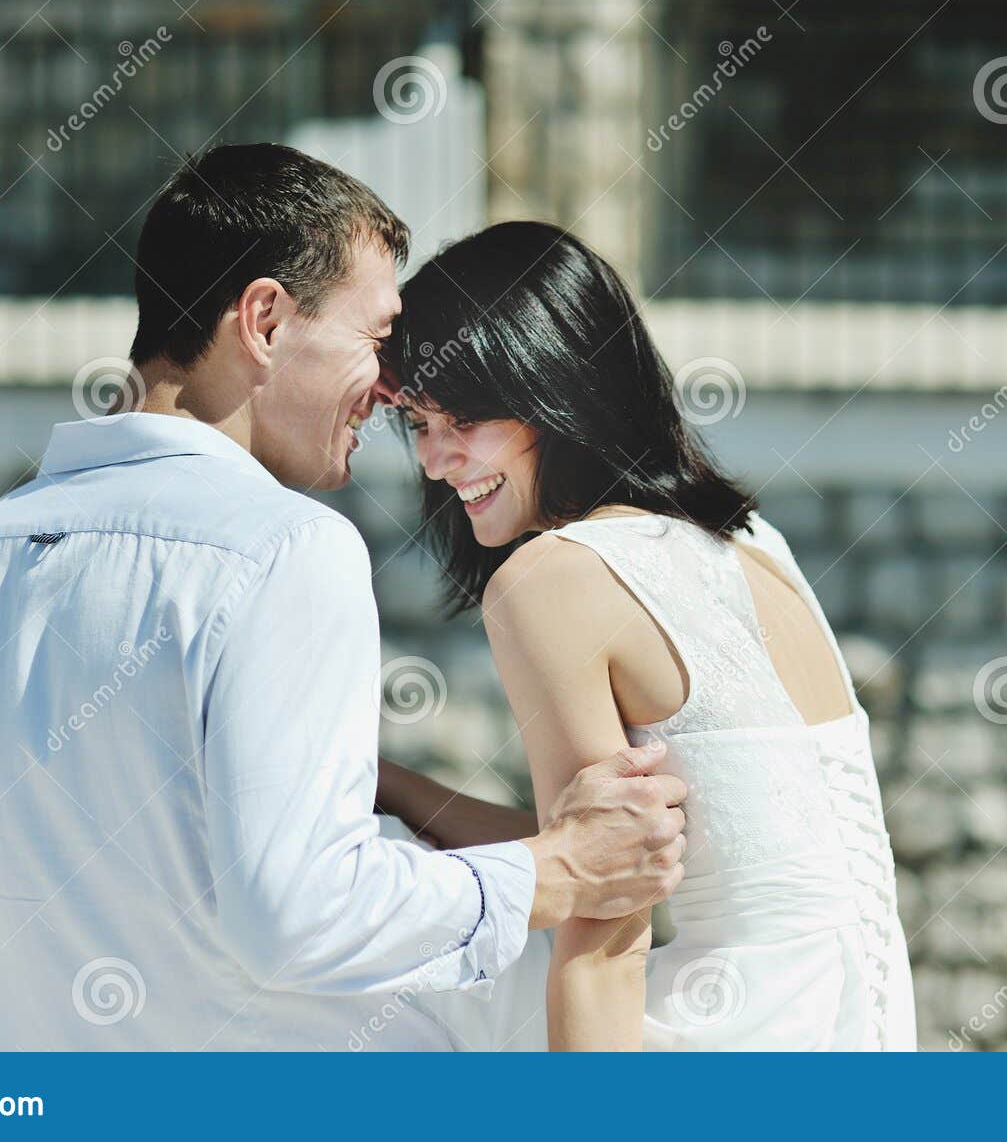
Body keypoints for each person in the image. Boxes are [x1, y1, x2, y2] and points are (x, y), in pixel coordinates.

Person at [0, 146, 687, 1051]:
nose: (391, 391)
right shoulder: (284, 549)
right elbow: (300, 914)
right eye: (376, 340)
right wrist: (558, 867)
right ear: (263, 319)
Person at [377, 221, 918, 1050]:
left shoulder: (552, 578)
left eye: (465, 420)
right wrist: (396, 788)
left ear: (553, 394)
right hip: (861, 1041)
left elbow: (605, 939)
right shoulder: (745, 543)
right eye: (419, 423)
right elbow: (580, 854)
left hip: (728, 1048)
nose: (435, 461)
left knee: (362, 941)